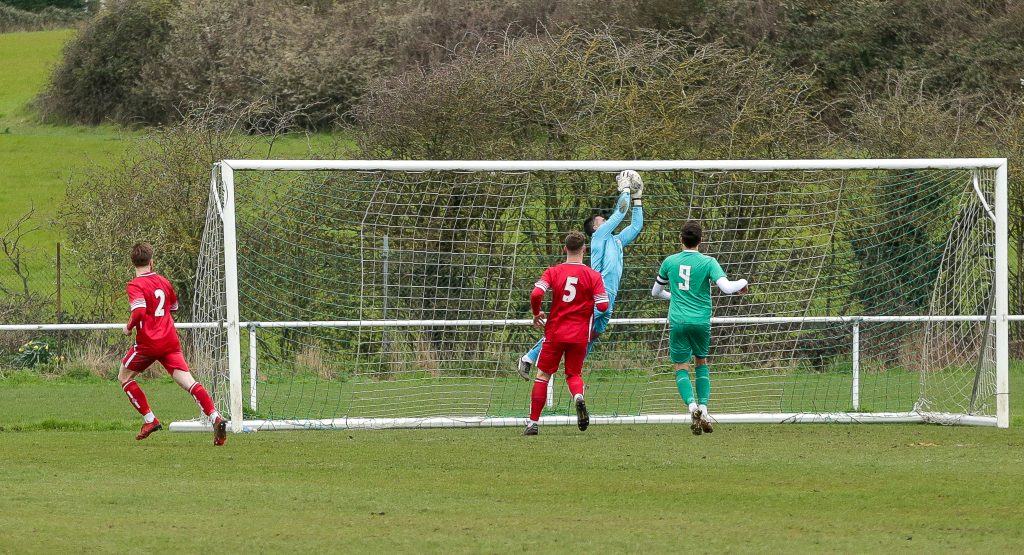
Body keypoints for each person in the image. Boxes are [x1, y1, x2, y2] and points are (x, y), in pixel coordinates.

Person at [517, 170, 643, 379]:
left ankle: (574, 371)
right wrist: (625, 190)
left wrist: (637, 199)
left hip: (611, 297)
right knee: (573, 327)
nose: (607, 221)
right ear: (595, 228)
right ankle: (529, 357)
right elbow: (620, 213)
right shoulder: (599, 236)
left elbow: (636, 225)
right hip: (598, 294)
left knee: (593, 334)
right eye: (603, 221)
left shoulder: (616, 241)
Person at [118, 242, 227, 445]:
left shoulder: (135, 285)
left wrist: (129, 326)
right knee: (188, 382)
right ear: (151, 261)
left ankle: (150, 420)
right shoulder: (163, 281)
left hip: (148, 343)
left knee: (124, 377)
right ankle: (215, 417)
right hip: (169, 341)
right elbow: (173, 306)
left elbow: (140, 311)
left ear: (133, 262)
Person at [651, 221, 748, 435]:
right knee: (701, 362)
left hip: (678, 321)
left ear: (680, 239)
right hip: (701, 322)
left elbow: (655, 292)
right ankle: (704, 409)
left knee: (680, 366)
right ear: (701, 240)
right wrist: (743, 281)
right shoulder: (709, 262)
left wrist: (673, 296)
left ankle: (692, 407)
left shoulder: (670, 261)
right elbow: (726, 288)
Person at [524, 231, 609, 436]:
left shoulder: (553, 272)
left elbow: (536, 293)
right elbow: (604, 305)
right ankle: (578, 397)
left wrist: (537, 313)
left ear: (565, 249)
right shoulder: (593, 275)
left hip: (555, 333)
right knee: (573, 374)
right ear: (584, 250)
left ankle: (533, 423)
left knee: (543, 375)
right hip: (580, 335)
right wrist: (588, 307)